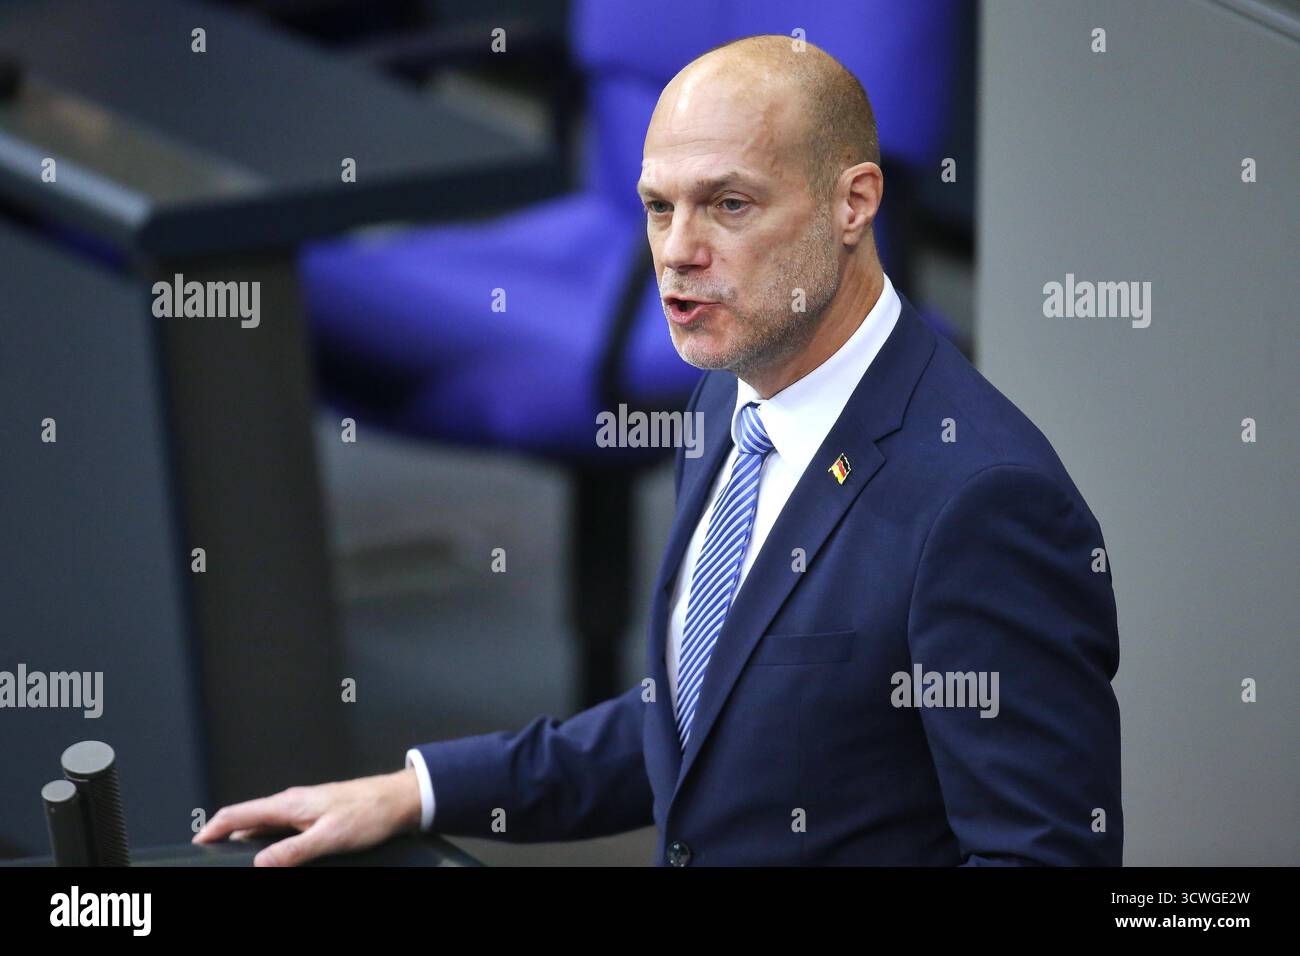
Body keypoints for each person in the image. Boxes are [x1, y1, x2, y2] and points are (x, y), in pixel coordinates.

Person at [195, 35, 1122, 867]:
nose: (677, 252)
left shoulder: (983, 504)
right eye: (657, 207)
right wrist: (420, 790)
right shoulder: (729, 395)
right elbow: (700, 723)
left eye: (727, 205)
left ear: (854, 204)